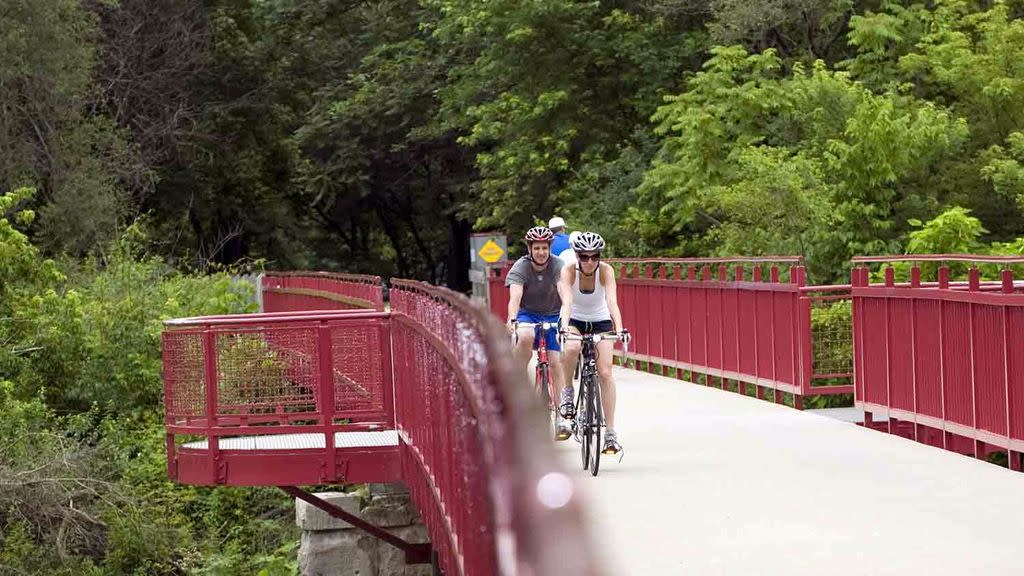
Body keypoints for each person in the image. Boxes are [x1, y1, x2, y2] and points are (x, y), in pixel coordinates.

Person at [557, 231, 630, 455]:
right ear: (576, 256)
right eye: (584, 257)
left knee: (606, 373)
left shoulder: (606, 271)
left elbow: (611, 301)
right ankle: (568, 390)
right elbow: (568, 301)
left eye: (594, 257)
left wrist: (619, 329)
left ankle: (610, 433)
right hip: (575, 318)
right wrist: (564, 326)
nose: (589, 262)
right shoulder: (568, 271)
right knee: (571, 347)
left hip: (600, 320)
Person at [506, 226, 574, 440]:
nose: (541, 252)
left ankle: (562, 415)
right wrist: (513, 319)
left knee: (556, 360)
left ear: (549, 248)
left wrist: (565, 320)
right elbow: (515, 297)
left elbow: (565, 294)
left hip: (553, 315)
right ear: (530, 249)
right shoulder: (520, 267)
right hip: (528, 314)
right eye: (537, 248)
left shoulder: (558, 265)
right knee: (525, 337)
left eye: (544, 248)